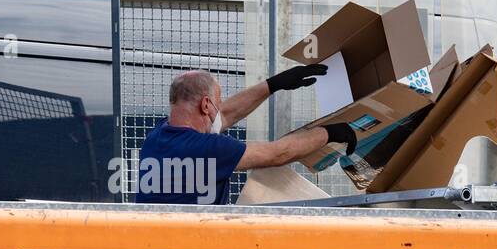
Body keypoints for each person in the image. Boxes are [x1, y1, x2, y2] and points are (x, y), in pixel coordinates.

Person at [136, 65, 357, 205]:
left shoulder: (156, 137)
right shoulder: (209, 149)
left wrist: (273, 85)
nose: (220, 109)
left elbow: (225, 114)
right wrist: (330, 132)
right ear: (205, 104)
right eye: (217, 102)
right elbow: (278, 154)